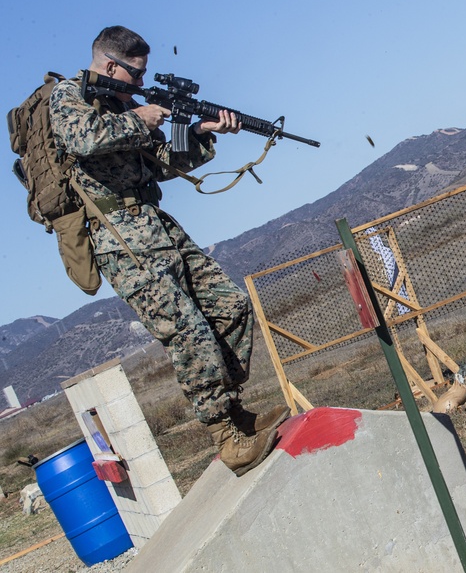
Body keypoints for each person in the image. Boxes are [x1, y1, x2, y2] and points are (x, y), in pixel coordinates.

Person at [49, 26, 289, 476]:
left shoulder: (122, 104)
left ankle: (233, 411)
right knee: (186, 330)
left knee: (231, 305)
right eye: (135, 75)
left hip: (154, 222)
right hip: (118, 235)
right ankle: (226, 436)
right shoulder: (68, 95)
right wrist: (142, 117)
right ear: (109, 66)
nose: (141, 84)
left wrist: (201, 131)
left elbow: (166, 165)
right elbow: (81, 140)